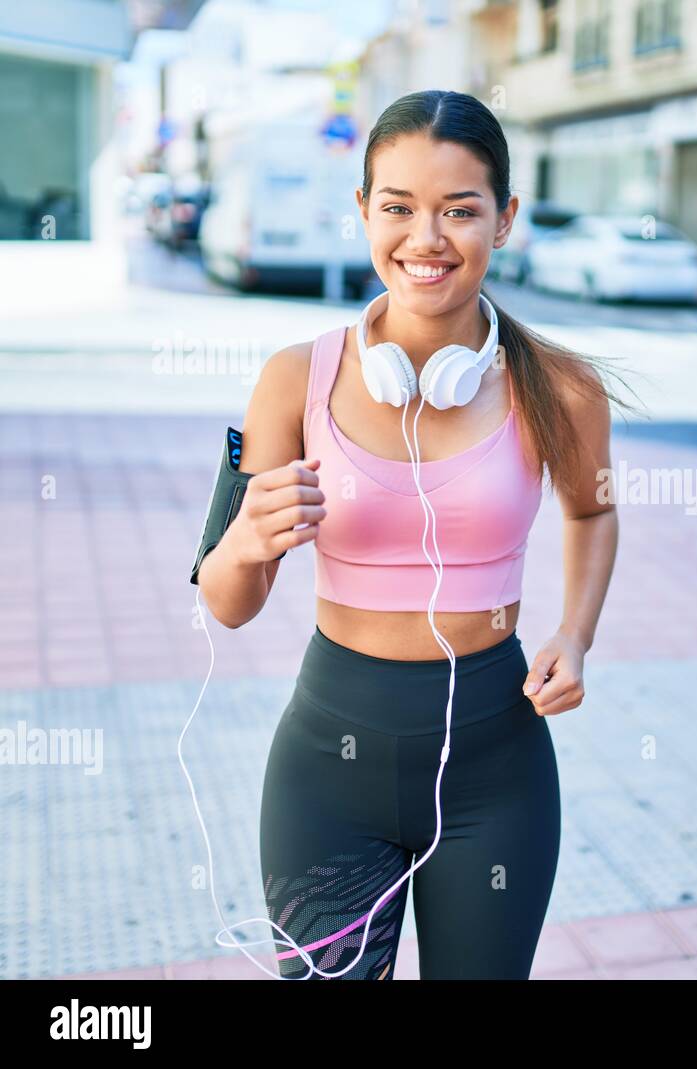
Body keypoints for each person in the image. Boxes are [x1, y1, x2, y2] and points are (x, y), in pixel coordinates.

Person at [196, 89, 639, 979]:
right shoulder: (293, 382)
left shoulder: (562, 388)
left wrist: (576, 636)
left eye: (460, 210)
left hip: (496, 770)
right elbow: (228, 605)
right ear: (363, 211)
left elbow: (592, 509)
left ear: (504, 219)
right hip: (327, 771)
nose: (425, 238)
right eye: (397, 207)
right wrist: (244, 541)